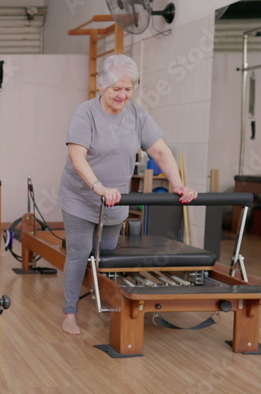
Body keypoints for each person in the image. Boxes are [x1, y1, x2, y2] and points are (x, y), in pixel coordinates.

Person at [59, 54, 198, 335]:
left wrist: (177, 183)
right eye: (116, 89)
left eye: (128, 88)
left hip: (116, 198)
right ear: (101, 86)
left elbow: (159, 150)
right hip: (81, 196)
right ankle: (70, 313)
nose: (123, 95)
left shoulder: (138, 115)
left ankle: (108, 300)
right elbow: (77, 157)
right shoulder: (84, 113)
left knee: (108, 252)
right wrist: (98, 186)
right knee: (79, 252)